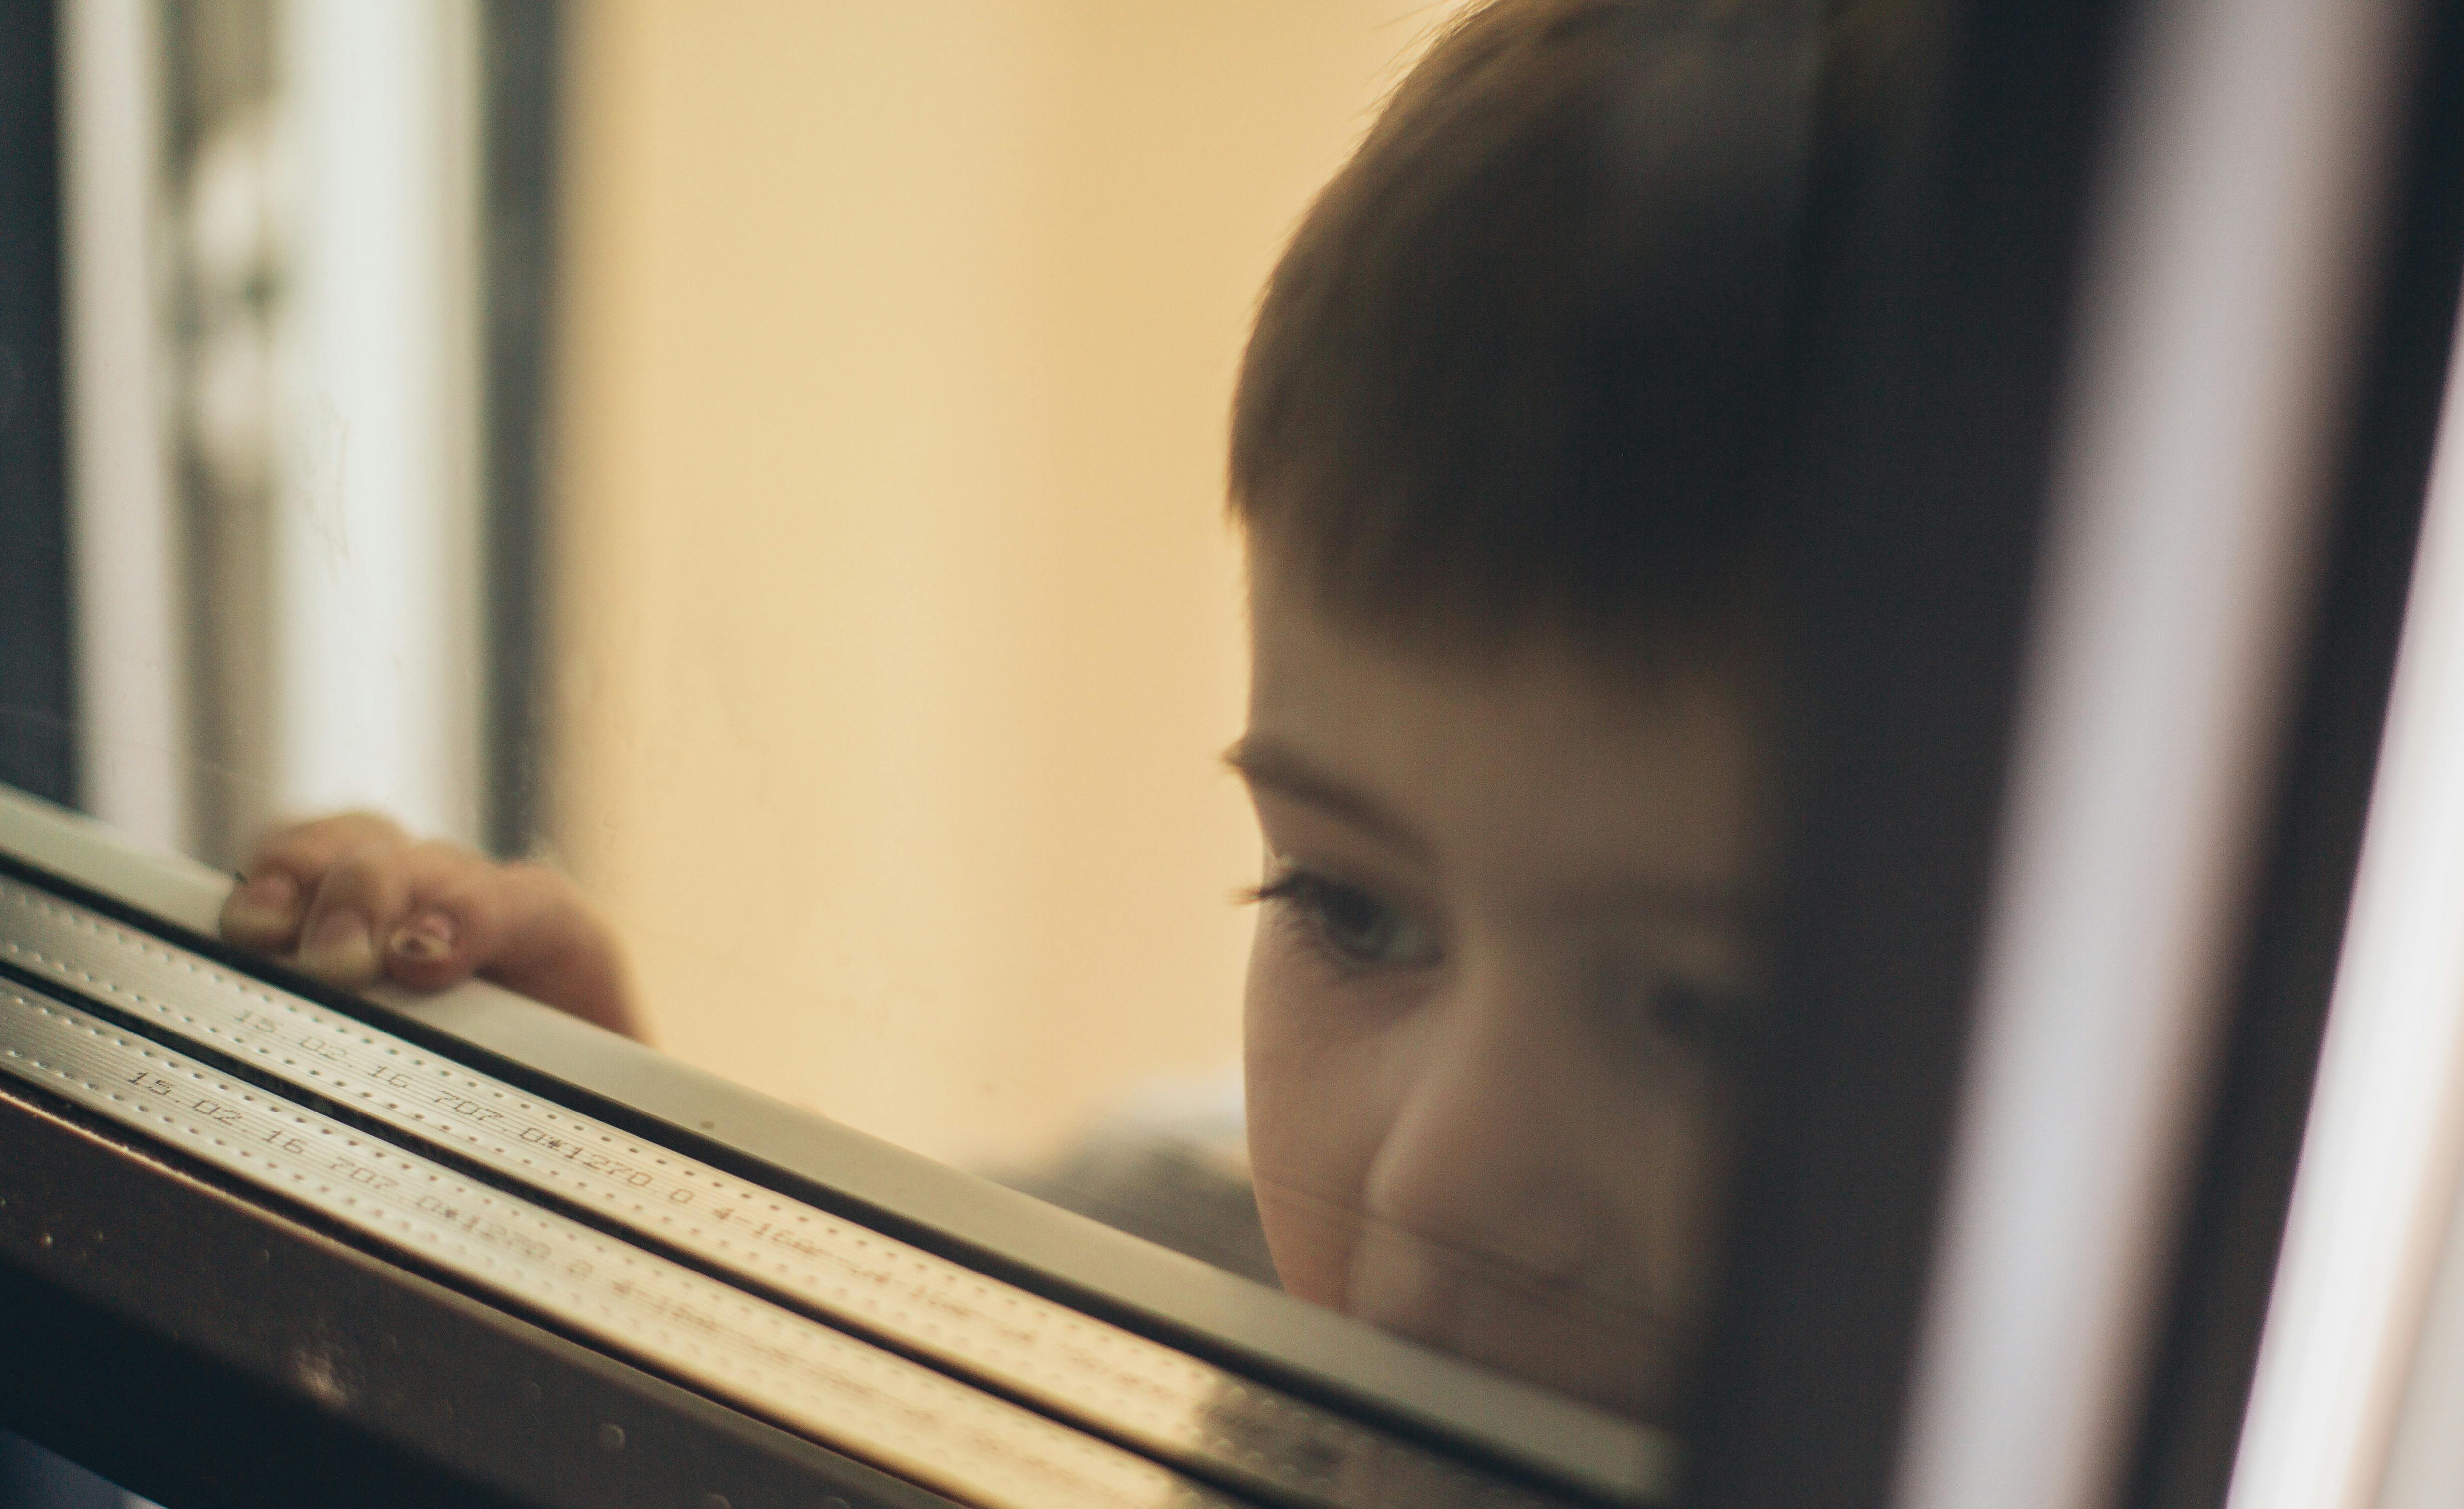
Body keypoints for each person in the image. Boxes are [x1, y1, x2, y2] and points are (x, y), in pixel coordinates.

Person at [223, 0, 1888, 1424]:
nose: (1435, 1176)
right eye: (1350, 906)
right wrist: (611, 1205)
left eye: (1702, 1012)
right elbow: (816, 1428)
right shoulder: (1164, 1265)